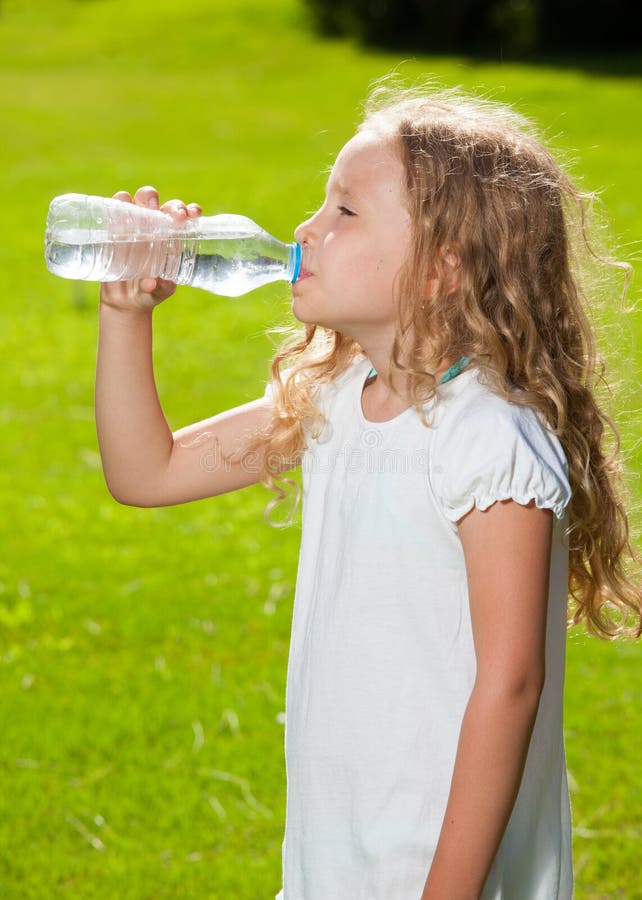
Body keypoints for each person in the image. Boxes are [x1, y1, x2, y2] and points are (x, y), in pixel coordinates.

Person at [95, 83, 642, 900]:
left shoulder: (488, 435)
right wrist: (124, 312)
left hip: (438, 865)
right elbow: (148, 472)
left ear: (440, 270)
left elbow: (511, 683)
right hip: (335, 857)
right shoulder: (335, 397)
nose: (306, 230)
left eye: (344, 213)